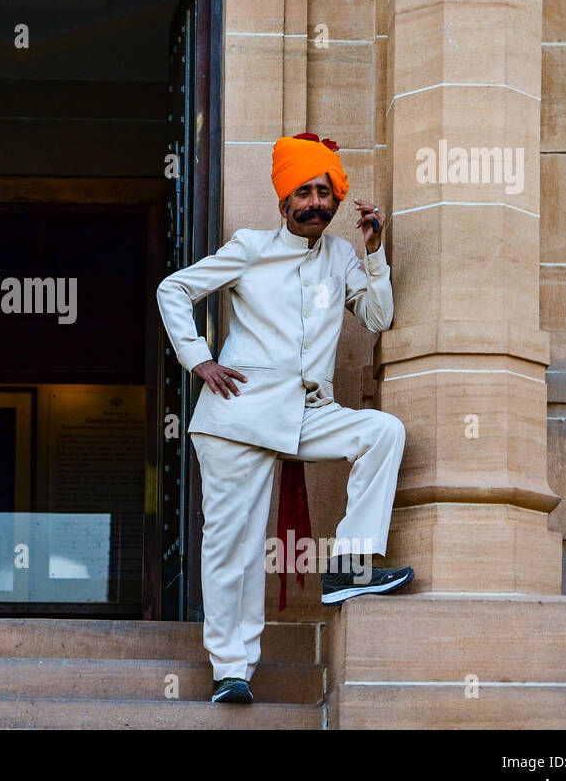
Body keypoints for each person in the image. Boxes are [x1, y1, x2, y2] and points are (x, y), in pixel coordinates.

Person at [156, 132, 415, 704]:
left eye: (325, 192)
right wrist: (199, 359)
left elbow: (378, 316)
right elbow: (174, 289)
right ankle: (232, 670)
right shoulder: (251, 247)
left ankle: (348, 565)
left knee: (383, 432)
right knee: (234, 547)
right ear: (284, 201)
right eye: (305, 192)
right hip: (237, 418)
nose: (317, 202)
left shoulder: (343, 256)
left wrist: (373, 253)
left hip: (304, 414)